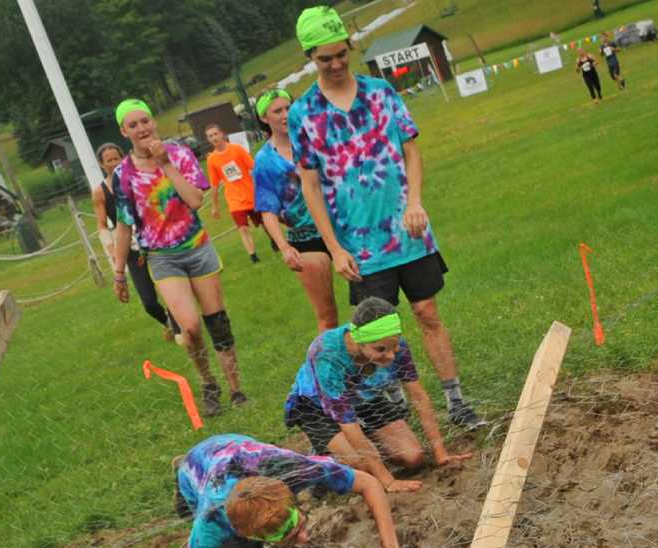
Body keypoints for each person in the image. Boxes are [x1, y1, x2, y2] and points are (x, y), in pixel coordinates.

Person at [290, 7, 483, 429]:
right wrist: (334, 248)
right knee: (376, 332)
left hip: (407, 232)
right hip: (358, 245)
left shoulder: (381, 93)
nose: (337, 64)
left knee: (428, 311)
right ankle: (393, 403)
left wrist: (416, 201)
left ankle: (456, 400)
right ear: (310, 57)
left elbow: (411, 149)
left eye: (342, 54)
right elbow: (310, 186)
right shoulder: (303, 113)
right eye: (325, 58)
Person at [170, 433, 425, 548]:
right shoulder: (212, 521)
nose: (305, 538)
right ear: (246, 532)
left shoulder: (297, 470)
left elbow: (369, 484)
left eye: (300, 524)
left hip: (237, 451)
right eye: (291, 537)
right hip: (195, 474)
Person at [109, 99, 248, 415]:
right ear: (124, 131)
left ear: (153, 122)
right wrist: (119, 273)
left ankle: (236, 389)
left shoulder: (180, 154)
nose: (142, 129)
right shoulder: (124, 174)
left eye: (145, 121)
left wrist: (165, 164)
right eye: (133, 125)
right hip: (161, 257)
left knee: (218, 322)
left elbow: (196, 199)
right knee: (190, 327)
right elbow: (123, 225)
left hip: (197, 248)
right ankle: (208, 382)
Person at [285, 297, 469, 491]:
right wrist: (387, 481)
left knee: (413, 457)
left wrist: (440, 453)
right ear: (359, 341)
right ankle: (326, 454)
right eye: (380, 349)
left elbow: (418, 396)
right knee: (364, 468)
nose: (391, 355)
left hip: (364, 398)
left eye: (394, 347)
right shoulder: (326, 354)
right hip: (317, 408)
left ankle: (361, 447)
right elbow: (348, 424)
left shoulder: (395, 345)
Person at [252, 89, 338, 330]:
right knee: (327, 315)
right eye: (277, 111)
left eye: (288, 107)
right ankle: (325, 366)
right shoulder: (265, 161)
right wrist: (284, 247)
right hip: (305, 238)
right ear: (264, 118)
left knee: (368, 300)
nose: (285, 115)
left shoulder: (315, 140)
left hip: (340, 226)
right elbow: (267, 210)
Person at [93, 141, 180, 347]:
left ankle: (180, 327)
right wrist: (112, 249)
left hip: (153, 241)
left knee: (169, 287)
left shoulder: (137, 178)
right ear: (102, 164)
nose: (113, 163)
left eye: (116, 158)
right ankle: (168, 321)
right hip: (129, 248)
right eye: (108, 161)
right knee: (149, 301)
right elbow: (101, 224)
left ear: (123, 157)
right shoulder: (100, 192)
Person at [202, 122, 263, 265]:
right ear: (208, 140)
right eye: (210, 136)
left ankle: (275, 242)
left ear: (222, 134)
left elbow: (254, 168)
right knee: (243, 228)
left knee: (264, 222)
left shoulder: (237, 150)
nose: (214, 138)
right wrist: (215, 206)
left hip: (251, 194)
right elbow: (214, 185)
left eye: (215, 134)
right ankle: (253, 256)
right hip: (234, 200)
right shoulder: (212, 160)